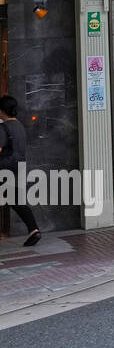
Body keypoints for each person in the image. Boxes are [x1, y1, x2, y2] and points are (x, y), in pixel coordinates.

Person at [0, 95, 40, 246]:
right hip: (19, 168)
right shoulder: (20, 126)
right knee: (16, 201)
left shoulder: (3, 128)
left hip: (5, 169)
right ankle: (34, 230)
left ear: (2, 111)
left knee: (15, 200)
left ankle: (34, 230)